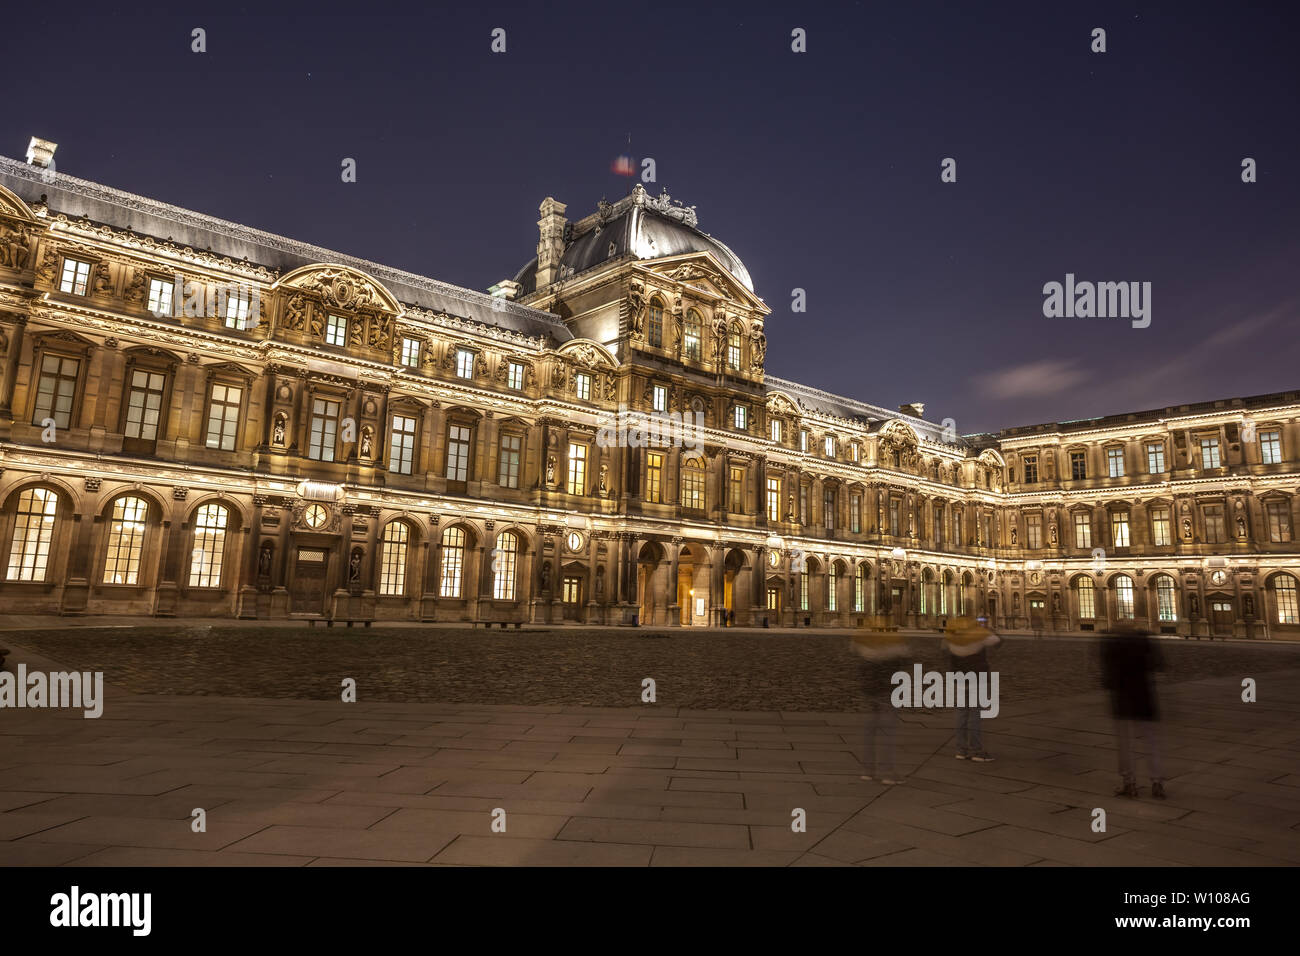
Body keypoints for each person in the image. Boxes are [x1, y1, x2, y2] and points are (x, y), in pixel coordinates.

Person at [1100, 622, 1166, 798]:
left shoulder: (1112, 645)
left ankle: (1129, 783)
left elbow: (1107, 676)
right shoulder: (1145, 641)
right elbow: (1158, 664)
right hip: (1144, 698)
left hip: (1123, 700)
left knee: (1125, 744)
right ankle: (1157, 782)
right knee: (1150, 742)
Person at [851, 630, 909, 785]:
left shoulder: (864, 647)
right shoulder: (894, 647)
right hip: (888, 692)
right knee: (887, 732)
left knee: (869, 730)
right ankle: (887, 772)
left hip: (870, 692)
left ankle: (867, 770)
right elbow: (905, 660)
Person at [944, 615, 1000, 762]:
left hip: (960, 680)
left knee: (962, 713)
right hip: (977, 679)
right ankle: (976, 751)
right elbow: (997, 641)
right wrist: (985, 630)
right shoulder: (978, 638)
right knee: (975, 714)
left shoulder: (952, 640)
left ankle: (961, 750)